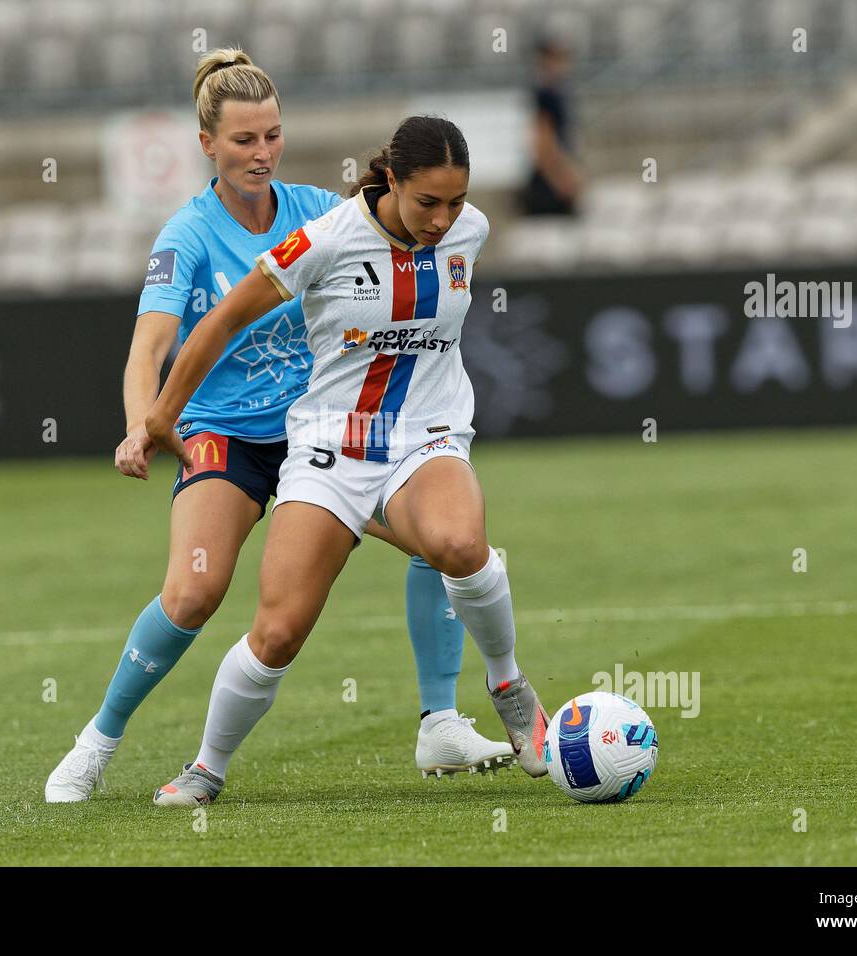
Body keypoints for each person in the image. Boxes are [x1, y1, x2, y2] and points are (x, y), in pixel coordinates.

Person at [45, 52, 511, 803]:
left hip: (320, 433)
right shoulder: (187, 236)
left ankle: (442, 720)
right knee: (194, 594)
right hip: (224, 436)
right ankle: (97, 739)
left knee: (448, 541)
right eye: (243, 141)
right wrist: (142, 424)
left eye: (272, 136)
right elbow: (152, 347)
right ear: (207, 145)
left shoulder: (317, 213)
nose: (262, 154)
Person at [142, 115, 551, 807]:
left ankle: (510, 687)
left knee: (458, 542)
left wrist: (452, 219)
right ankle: (207, 767)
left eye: (456, 201)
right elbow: (221, 320)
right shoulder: (326, 239)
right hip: (332, 446)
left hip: (428, 434)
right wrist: (161, 413)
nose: (443, 218)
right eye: (428, 202)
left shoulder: (469, 232)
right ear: (391, 179)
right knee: (277, 633)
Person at [521, 36, 584, 217]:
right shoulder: (545, 94)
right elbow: (543, 141)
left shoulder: (559, 92)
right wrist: (560, 178)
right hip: (550, 180)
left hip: (558, 171)